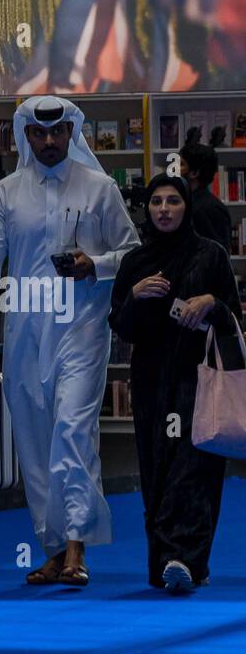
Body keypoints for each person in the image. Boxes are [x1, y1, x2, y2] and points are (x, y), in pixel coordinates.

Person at [0, 96, 139, 588]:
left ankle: (79, 545)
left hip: (82, 330)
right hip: (23, 333)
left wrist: (95, 266)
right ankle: (54, 549)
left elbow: (134, 256)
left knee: (72, 433)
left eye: (58, 132)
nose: (50, 141)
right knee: (34, 442)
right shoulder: (5, 194)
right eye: (40, 134)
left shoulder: (100, 189)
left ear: (71, 131)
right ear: (27, 136)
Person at [110, 175, 244, 592]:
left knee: (195, 466)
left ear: (187, 207)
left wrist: (212, 303)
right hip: (151, 378)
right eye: (156, 202)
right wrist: (135, 296)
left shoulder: (212, 255)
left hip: (198, 376)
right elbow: (120, 326)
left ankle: (183, 558)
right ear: (147, 209)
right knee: (156, 468)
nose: (164, 209)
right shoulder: (135, 262)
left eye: (173, 201)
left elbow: (233, 317)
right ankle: (168, 562)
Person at [178, 142, 232, 253]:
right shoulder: (188, 202)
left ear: (194, 173)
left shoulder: (207, 208)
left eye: (181, 164)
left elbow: (214, 256)